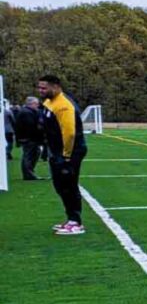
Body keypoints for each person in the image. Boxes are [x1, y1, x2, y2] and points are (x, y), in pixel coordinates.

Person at [37, 75, 87, 235]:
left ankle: (76, 222)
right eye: (39, 87)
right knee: (60, 186)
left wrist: (66, 156)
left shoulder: (64, 105)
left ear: (56, 86)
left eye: (44, 88)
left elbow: (69, 133)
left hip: (69, 152)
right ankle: (70, 218)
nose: (40, 91)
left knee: (68, 185)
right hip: (56, 151)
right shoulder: (48, 103)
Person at [13, 97, 44, 180]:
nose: (37, 105)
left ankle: (29, 172)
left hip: (27, 138)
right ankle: (28, 174)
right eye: (36, 103)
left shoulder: (25, 111)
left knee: (33, 153)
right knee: (29, 155)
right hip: (29, 138)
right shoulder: (27, 113)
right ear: (31, 104)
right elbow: (31, 126)